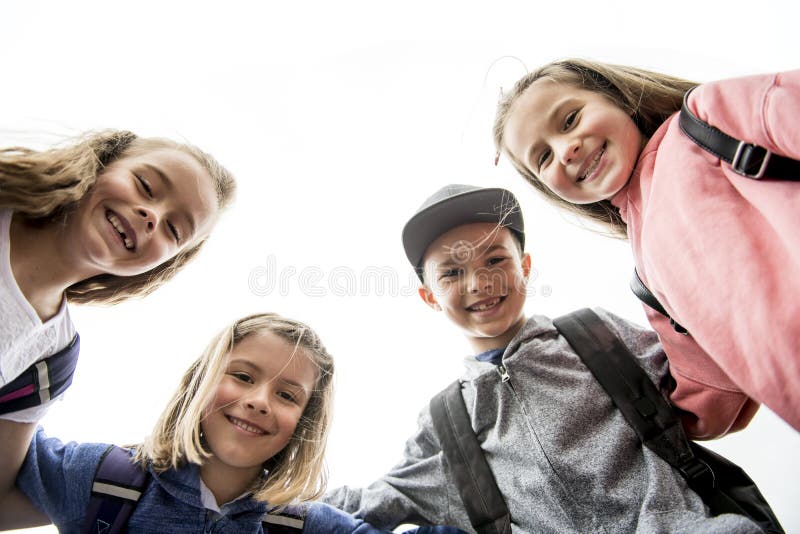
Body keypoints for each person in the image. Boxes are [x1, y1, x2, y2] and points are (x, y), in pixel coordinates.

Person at [322, 184, 762, 533]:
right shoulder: (446, 422)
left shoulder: (596, 337)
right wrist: (265, 492)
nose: (478, 282)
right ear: (428, 296)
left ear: (525, 266)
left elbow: (711, 369)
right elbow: (372, 501)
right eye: (452, 273)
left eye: (495, 258)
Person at [493, 60, 800, 436]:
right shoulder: (647, 276)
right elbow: (708, 393)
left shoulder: (710, 118)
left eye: (570, 119)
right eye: (543, 157)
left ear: (614, 97)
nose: (565, 150)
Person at [0, 312, 465, 533]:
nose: (259, 401)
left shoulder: (309, 527)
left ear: (305, 423)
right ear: (200, 382)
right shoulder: (102, 478)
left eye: (287, 395)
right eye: (242, 376)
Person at [0, 129, 236, 522]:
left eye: (174, 231)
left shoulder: (49, 362)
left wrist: (151, 484)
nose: (151, 216)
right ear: (101, 163)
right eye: (145, 185)